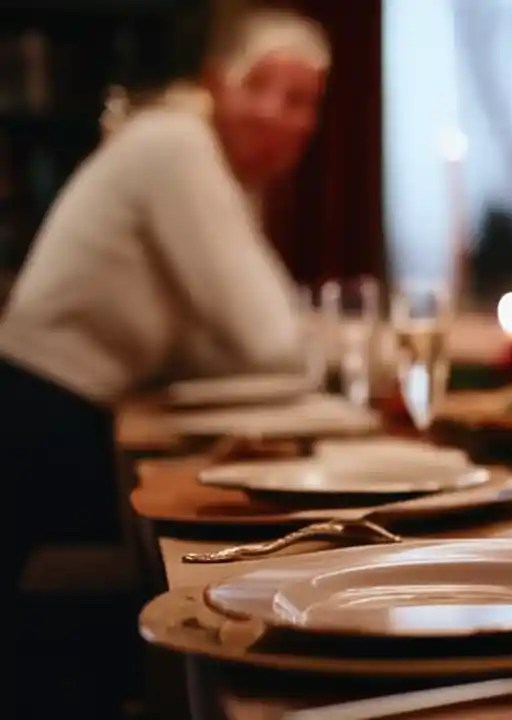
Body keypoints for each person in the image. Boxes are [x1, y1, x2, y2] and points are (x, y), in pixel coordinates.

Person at [0, 9, 330, 588]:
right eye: (263, 90)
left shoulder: (211, 164)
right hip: (44, 422)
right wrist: (346, 347)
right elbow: (268, 341)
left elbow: (228, 338)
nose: (289, 119)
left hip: (71, 413)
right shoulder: (176, 146)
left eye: (305, 101)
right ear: (215, 82)